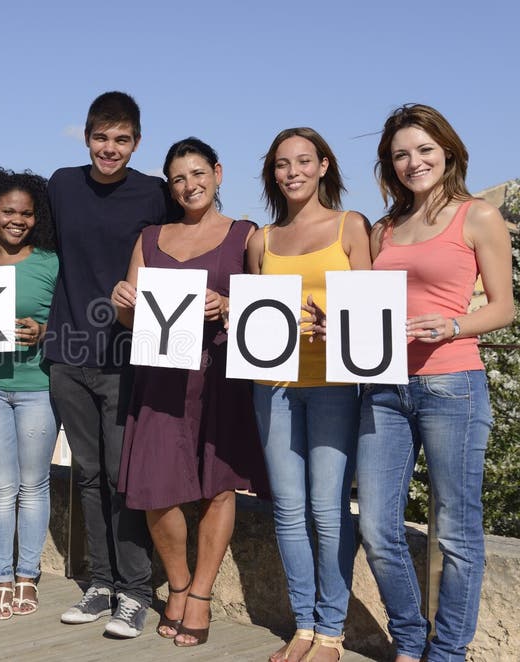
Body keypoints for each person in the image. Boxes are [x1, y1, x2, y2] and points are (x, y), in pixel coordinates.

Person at [357, 104, 514, 662]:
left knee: (457, 533)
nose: (413, 161)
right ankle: (407, 638)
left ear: (447, 150)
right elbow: (373, 306)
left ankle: (447, 651)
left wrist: (451, 323)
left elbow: (503, 309)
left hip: (454, 385)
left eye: (424, 149)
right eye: (400, 154)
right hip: (383, 387)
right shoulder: (383, 229)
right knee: (376, 529)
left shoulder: (478, 217)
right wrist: (340, 323)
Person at [112, 137, 267, 647]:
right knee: (157, 490)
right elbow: (128, 313)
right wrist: (121, 300)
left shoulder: (247, 235)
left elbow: (270, 307)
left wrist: (230, 303)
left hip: (222, 374)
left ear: (218, 173)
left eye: (198, 173)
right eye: (179, 178)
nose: (189, 185)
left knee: (218, 488)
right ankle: (176, 582)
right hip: (160, 377)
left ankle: (199, 593)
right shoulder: (151, 237)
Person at [47, 91, 170, 638]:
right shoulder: (62, 185)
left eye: (122, 139)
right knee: (89, 475)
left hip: (127, 355)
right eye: (101, 137)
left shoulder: (154, 193)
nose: (110, 148)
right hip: (67, 354)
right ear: (87, 137)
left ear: (136, 142)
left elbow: (182, 255)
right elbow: (23, 240)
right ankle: (101, 583)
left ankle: (137, 591)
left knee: (125, 477)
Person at [245, 128, 371, 662]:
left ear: (324, 165)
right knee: (288, 510)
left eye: (302, 161)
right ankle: (303, 625)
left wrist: (334, 327)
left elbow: (369, 315)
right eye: (281, 164)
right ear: (273, 174)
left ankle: (331, 633)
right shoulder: (261, 240)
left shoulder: (352, 227)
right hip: (272, 387)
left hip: (335, 386)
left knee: (328, 509)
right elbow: (256, 316)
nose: (292, 171)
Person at [0, 168, 60, 620]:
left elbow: (71, 323)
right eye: (8, 212)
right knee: (0, 486)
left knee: (34, 484)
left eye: (25, 213)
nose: (17, 220)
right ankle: (2, 578)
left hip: (38, 388)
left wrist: (44, 331)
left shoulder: (51, 263)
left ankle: (28, 575)